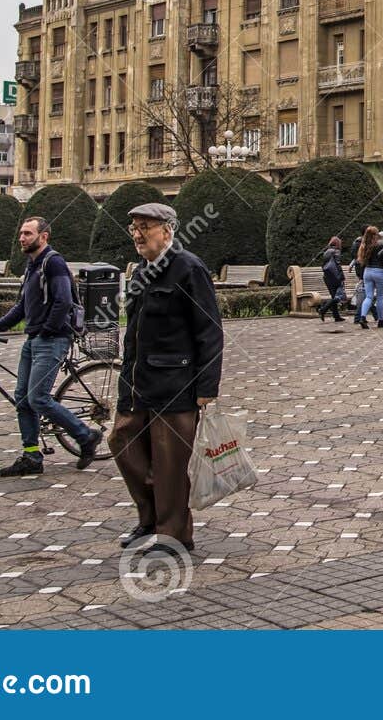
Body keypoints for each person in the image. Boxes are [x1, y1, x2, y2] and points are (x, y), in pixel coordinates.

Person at [109, 202, 223, 558]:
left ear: (168, 230)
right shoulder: (141, 270)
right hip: (139, 382)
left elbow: (210, 330)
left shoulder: (188, 268)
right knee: (122, 442)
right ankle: (150, 518)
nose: (138, 234)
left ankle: (174, 536)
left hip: (176, 385)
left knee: (170, 463)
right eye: (134, 228)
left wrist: (206, 388)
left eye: (145, 227)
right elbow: (134, 334)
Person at [0, 216, 102, 477]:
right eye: (21, 234)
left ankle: (86, 436)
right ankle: (31, 456)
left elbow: (61, 302)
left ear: (43, 237)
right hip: (34, 339)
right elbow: (21, 308)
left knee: (38, 397)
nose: (22, 238)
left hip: (52, 339)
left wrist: (48, 330)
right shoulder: (32, 266)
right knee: (23, 399)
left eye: (28, 233)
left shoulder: (54, 263)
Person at [355, 225, 383, 328]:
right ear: (375, 234)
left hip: (367, 272)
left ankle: (363, 318)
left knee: (369, 296)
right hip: (379, 271)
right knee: (380, 297)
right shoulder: (381, 244)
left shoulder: (363, 245)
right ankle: (380, 320)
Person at [316, 237, 347, 321]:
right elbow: (338, 265)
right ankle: (323, 309)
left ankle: (336, 316)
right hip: (336, 277)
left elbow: (324, 265)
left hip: (327, 277)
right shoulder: (336, 251)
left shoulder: (326, 252)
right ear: (338, 244)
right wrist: (342, 277)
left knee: (334, 296)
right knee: (338, 297)